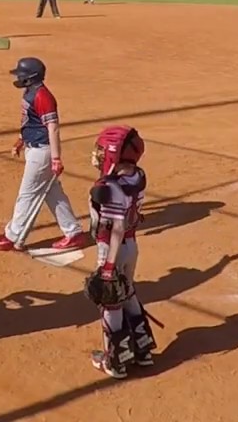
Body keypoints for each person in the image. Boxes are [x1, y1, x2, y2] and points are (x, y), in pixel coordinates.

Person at [0, 57, 87, 252]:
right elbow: (30, 122)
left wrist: (56, 158)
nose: (18, 77)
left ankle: (13, 236)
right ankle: (73, 232)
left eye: (21, 74)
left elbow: (53, 127)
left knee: (27, 194)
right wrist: (20, 139)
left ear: (30, 77)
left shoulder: (43, 96)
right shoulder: (30, 92)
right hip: (35, 148)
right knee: (53, 194)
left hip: (42, 152)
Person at [84, 125, 157, 379]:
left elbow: (115, 228)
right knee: (127, 293)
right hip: (132, 246)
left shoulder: (110, 187)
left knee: (111, 302)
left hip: (112, 249)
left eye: (103, 151)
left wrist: (107, 266)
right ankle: (143, 350)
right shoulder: (138, 175)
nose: (99, 156)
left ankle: (114, 361)